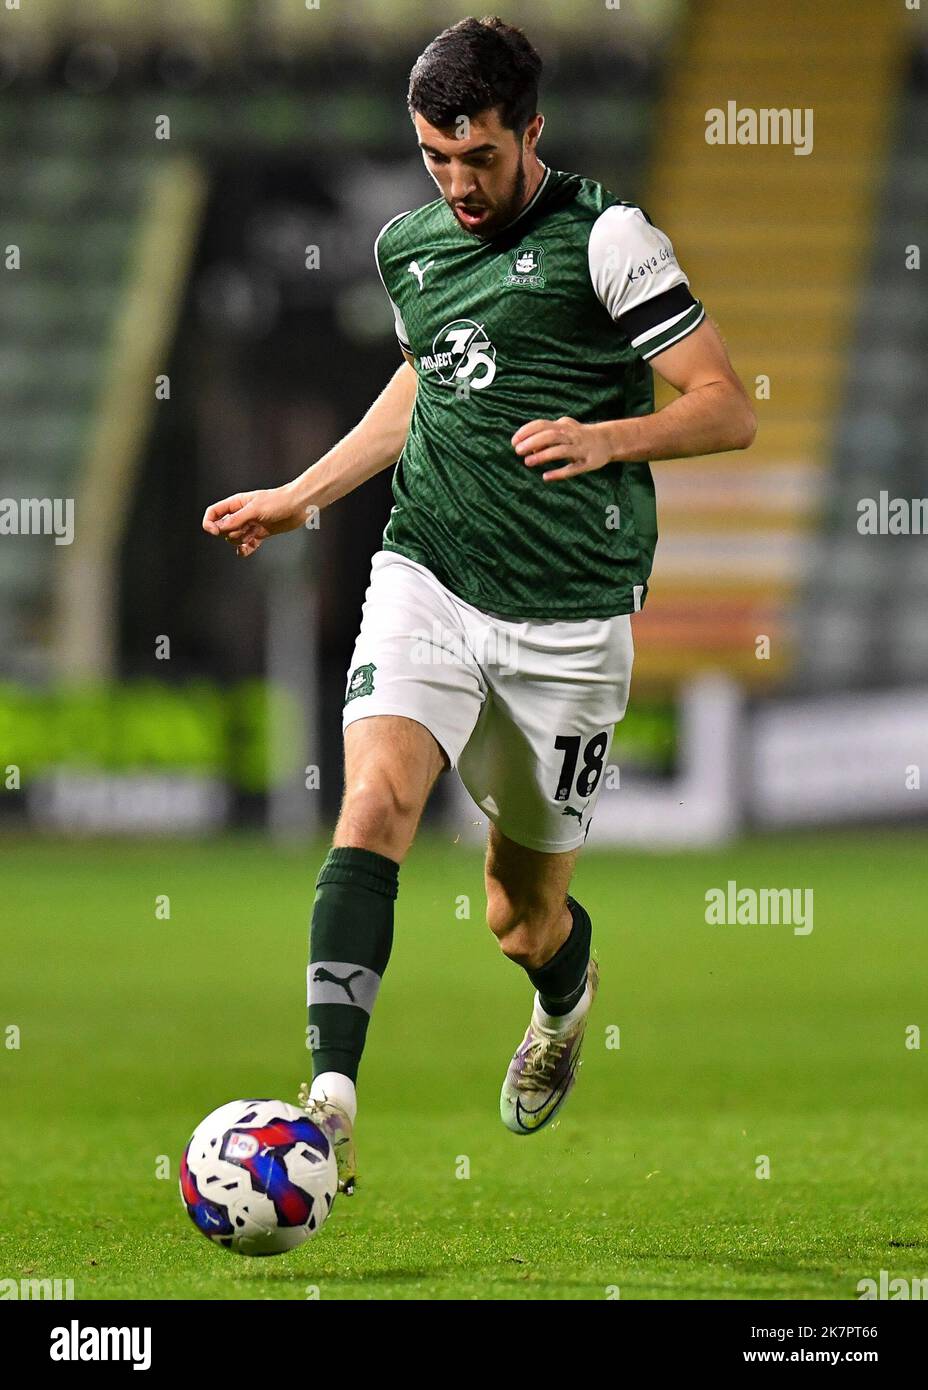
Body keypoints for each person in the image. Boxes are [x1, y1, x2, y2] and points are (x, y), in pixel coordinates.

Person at [203, 17, 755, 1195]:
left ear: (530, 133)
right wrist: (302, 495)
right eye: (434, 158)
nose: (457, 183)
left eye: (481, 159)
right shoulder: (408, 246)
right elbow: (425, 378)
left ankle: (565, 994)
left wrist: (607, 436)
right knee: (374, 802)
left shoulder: (607, 240)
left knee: (520, 914)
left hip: (567, 621)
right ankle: (329, 1105)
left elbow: (723, 406)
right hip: (431, 573)